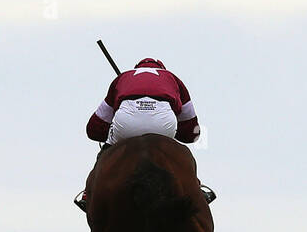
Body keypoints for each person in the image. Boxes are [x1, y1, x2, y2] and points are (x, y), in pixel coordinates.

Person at [75, 57, 215, 211]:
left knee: (107, 150)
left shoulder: (123, 78)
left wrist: (108, 134)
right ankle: (196, 188)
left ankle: (88, 195)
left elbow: (94, 128)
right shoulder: (173, 79)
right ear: (162, 69)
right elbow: (191, 133)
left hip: (127, 123)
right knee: (182, 154)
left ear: (136, 69)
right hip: (163, 124)